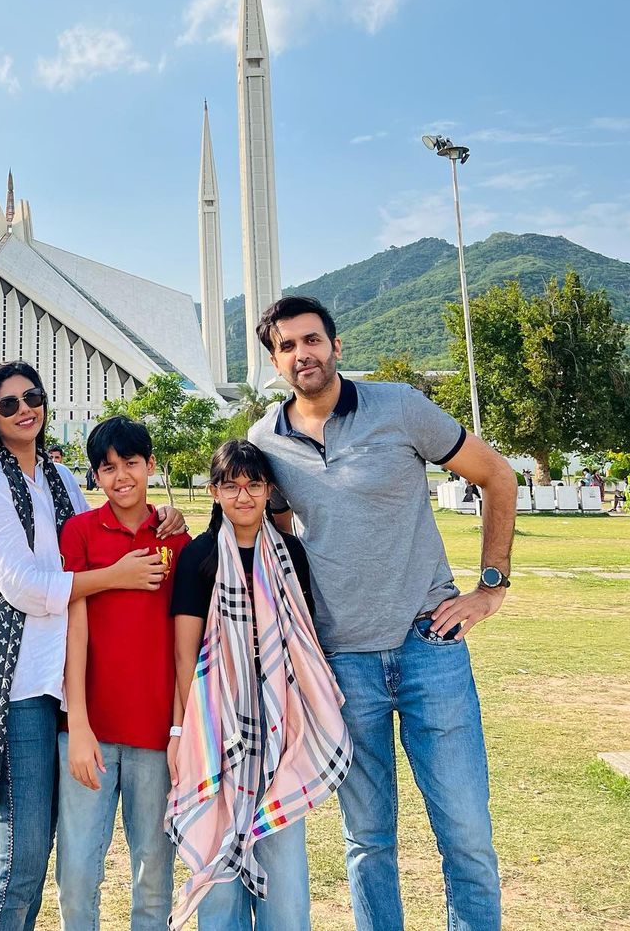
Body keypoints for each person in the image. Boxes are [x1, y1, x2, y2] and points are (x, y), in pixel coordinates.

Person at [248, 296, 516, 931]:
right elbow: (274, 520)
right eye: (286, 346)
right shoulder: (266, 441)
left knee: (466, 834)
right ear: (275, 361)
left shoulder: (398, 407)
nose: (301, 354)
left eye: (311, 340)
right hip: (341, 663)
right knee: (367, 842)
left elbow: (497, 477)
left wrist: (490, 587)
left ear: (335, 346)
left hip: (430, 643)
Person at [0, 361, 186, 931]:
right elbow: (31, 588)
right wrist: (116, 576)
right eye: (8, 404)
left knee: (58, 854)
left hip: (65, 683)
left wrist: (163, 514)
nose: (23, 409)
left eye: (31, 396)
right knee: (23, 858)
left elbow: (102, 528)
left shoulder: (57, 481)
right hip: (23, 684)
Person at [167, 439, 350, 930]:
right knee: (219, 872)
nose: (243, 496)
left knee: (285, 879)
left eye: (253, 485)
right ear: (214, 492)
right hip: (216, 726)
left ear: (269, 490)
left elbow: (303, 645)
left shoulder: (290, 554)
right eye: (231, 486)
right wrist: (181, 731)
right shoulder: (199, 557)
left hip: (283, 726)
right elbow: (187, 656)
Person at [56, 416, 191, 931]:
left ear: (150, 465)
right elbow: (75, 629)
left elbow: (189, 645)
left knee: (154, 871)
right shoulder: (81, 531)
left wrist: (178, 729)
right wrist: (80, 726)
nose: (121, 477)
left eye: (131, 463)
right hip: (90, 733)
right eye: (108, 468)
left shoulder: (176, 539)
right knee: (77, 869)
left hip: (158, 737)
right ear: (94, 477)